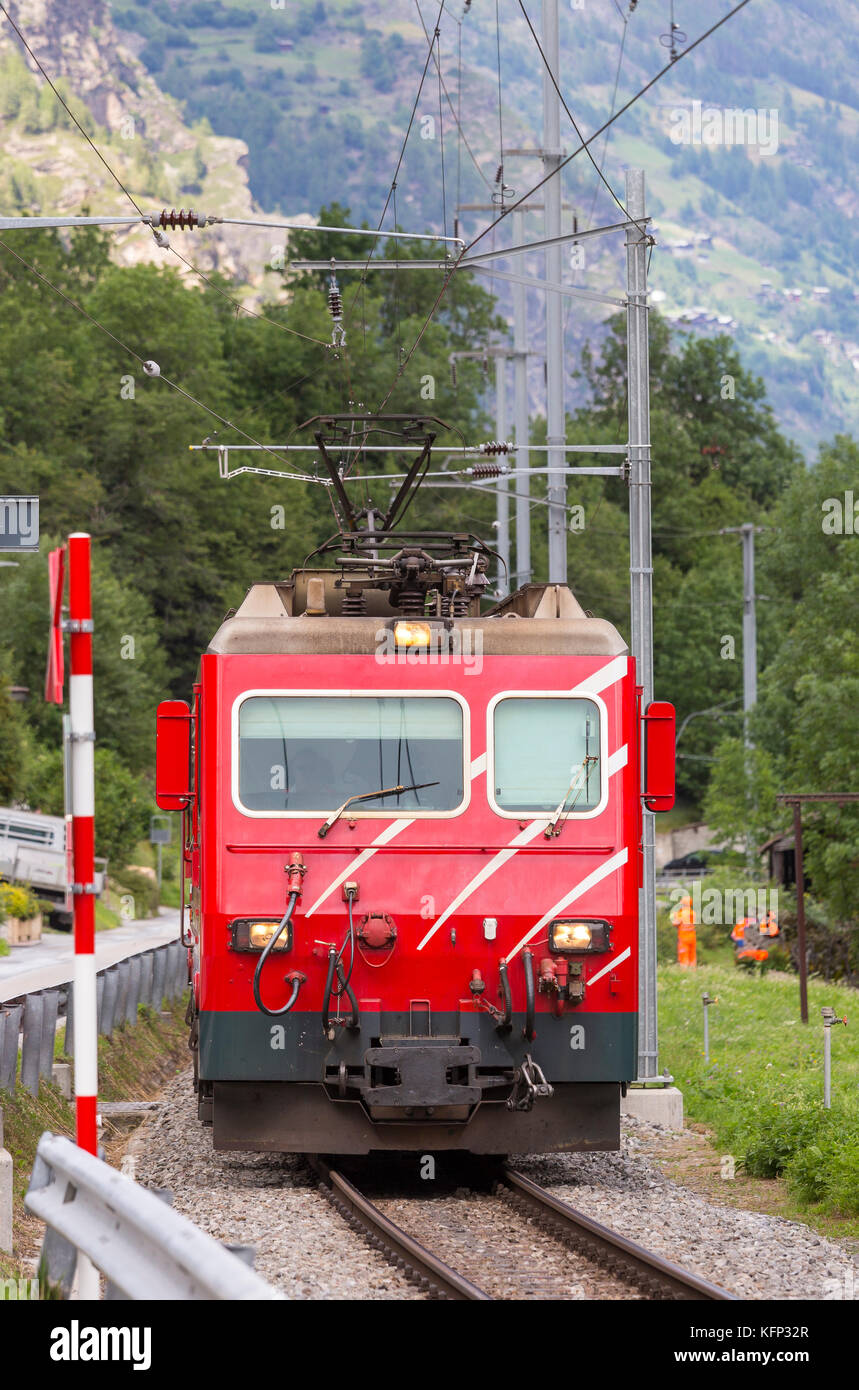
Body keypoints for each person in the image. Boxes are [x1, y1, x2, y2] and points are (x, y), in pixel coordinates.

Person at [670, 893, 697, 967]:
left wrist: (674, 914)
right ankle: (693, 971)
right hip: (692, 937)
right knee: (692, 955)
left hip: (683, 938)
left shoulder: (680, 914)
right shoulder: (693, 913)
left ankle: (684, 972)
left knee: (683, 956)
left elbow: (675, 923)